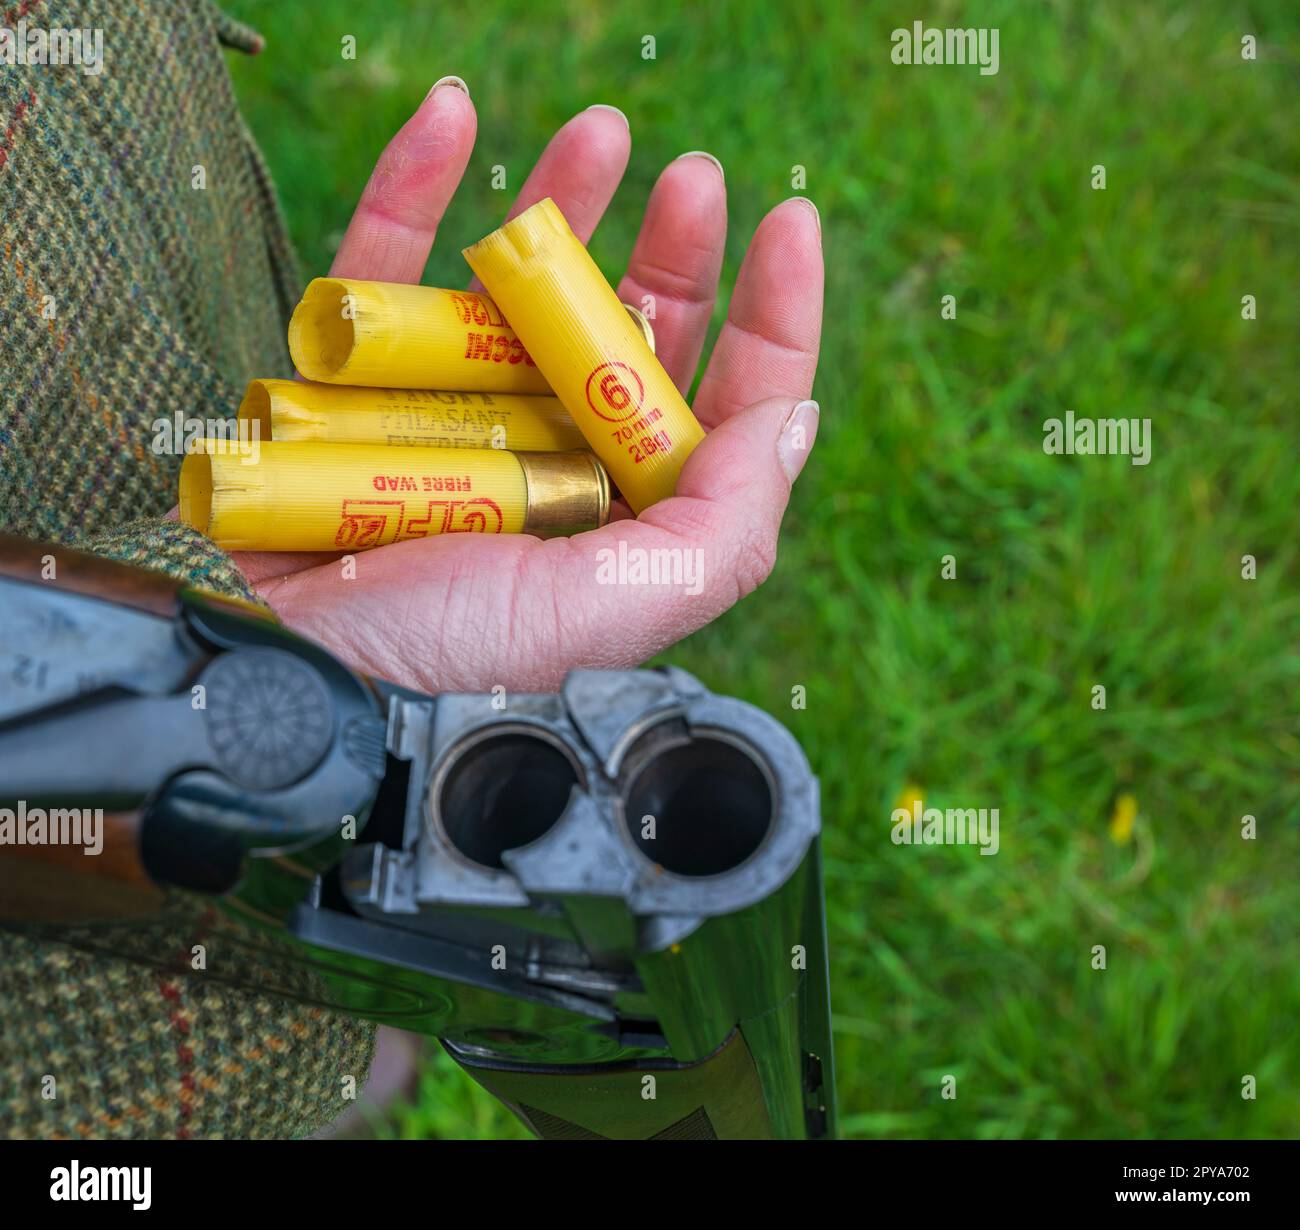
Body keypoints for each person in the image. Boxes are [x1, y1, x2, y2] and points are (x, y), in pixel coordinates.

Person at [0, 1, 822, 1138]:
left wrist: (263, 641)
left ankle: (338, 1011)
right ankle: (313, 1024)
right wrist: (263, 665)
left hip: (126, 241)